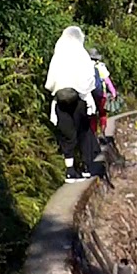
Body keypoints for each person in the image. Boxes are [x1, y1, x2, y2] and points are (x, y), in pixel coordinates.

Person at [45, 26, 100, 182]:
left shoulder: (59, 54)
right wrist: (85, 93)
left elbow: (49, 82)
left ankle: (70, 171)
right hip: (79, 99)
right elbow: (89, 79)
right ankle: (87, 168)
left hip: (61, 98)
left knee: (67, 135)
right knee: (83, 132)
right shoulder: (81, 54)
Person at [86, 48, 118, 144]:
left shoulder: (85, 66)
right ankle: (103, 132)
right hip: (101, 94)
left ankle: (94, 134)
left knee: (92, 115)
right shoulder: (101, 66)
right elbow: (107, 81)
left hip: (89, 94)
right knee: (102, 114)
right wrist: (113, 92)